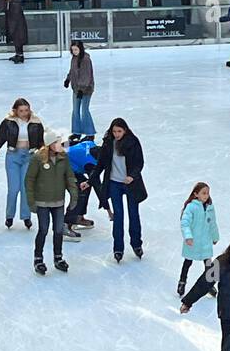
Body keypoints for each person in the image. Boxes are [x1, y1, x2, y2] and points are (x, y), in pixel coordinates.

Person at [89, 117, 147, 262]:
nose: (116, 134)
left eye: (119, 131)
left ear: (125, 130)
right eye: (114, 131)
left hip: (130, 184)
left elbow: (139, 163)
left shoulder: (133, 142)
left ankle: (136, 244)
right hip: (114, 184)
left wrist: (132, 176)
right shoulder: (108, 143)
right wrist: (89, 181)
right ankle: (118, 248)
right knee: (118, 216)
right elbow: (100, 164)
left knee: (134, 214)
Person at [25, 129, 77, 275]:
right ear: (49, 144)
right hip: (42, 202)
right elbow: (29, 180)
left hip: (58, 201)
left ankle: (58, 257)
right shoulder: (37, 158)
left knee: (59, 230)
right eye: (57, 142)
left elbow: (69, 177)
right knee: (43, 229)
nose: (60, 145)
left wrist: (73, 195)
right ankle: (38, 258)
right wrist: (31, 201)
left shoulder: (63, 157)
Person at [0, 97, 43, 229]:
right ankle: (9, 215)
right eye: (21, 111)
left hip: (29, 157)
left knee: (25, 188)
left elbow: (42, 140)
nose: (25, 113)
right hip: (13, 156)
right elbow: (0, 137)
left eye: (26, 110)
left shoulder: (36, 122)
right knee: (13, 189)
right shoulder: (8, 122)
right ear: (15, 111)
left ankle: (26, 216)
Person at [177, 181, 219, 303]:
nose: (206, 196)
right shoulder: (191, 207)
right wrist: (188, 237)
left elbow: (213, 224)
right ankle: (182, 281)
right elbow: (185, 223)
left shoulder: (210, 207)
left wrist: (215, 237)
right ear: (196, 194)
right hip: (193, 242)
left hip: (205, 242)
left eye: (208, 193)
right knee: (187, 262)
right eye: (204, 193)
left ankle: (209, 285)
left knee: (208, 265)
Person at [64, 134, 97, 237]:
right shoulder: (90, 163)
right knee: (78, 191)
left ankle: (78, 217)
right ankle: (65, 224)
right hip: (61, 168)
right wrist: (108, 209)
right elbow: (97, 184)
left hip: (71, 167)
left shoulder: (90, 144)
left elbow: (74, 143)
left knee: (85, 186)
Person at [63, 39, 95, 136]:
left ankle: (90, 133)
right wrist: (68, 79)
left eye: (76, 50)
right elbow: (73, 70)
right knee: (75, 110)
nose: (74, 52)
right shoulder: (74, 58)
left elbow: (86, 76)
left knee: (84, 110)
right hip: (76, 89)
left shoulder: (85, 59)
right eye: (73, 50)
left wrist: (82, 89)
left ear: (80, 49)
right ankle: (76, 131)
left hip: (86, 90)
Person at [2, 0, 27, 64]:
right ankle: (18, 54)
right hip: (15, 26)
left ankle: (20, 56)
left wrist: (11, 28)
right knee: (16, 41)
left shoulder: (15, 2)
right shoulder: (10, 2)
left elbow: (15, 17)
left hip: (18, 26)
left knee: (18, 40)